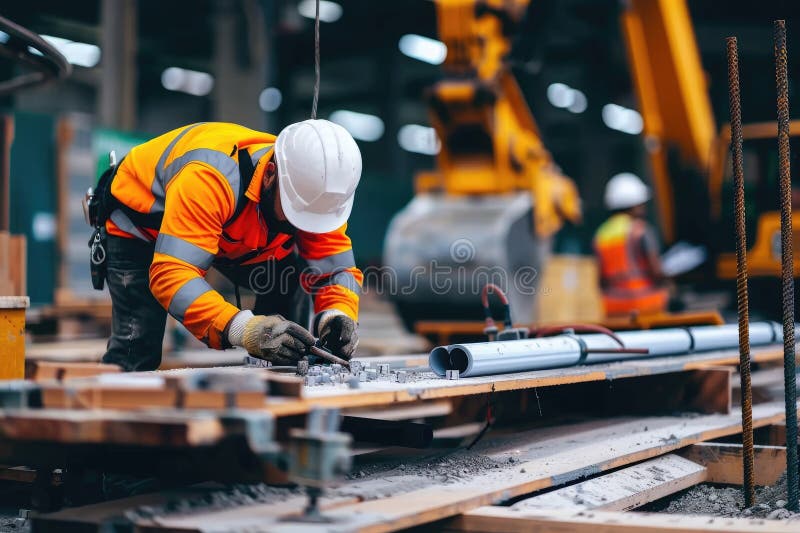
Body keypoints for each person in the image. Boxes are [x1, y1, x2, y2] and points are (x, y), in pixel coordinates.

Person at [89, 120, 363, 371]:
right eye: (296, 214)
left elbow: (337, 270)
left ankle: (276, 382)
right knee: (136, 352)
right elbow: (173, 274)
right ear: (269, 174)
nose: (305, 227)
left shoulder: (321, 196)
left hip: (229, 232)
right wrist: (243, 328)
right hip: (142, 230)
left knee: (292, 283)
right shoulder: (209, 177)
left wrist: (337, 314)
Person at [592, 173, 669, 316]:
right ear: (634, 204)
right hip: (646, 306)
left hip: (614, 309)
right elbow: (656, 272)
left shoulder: (601, 234)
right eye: (641, 202)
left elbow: (601, 281)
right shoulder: (639, 230)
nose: (643, 206)